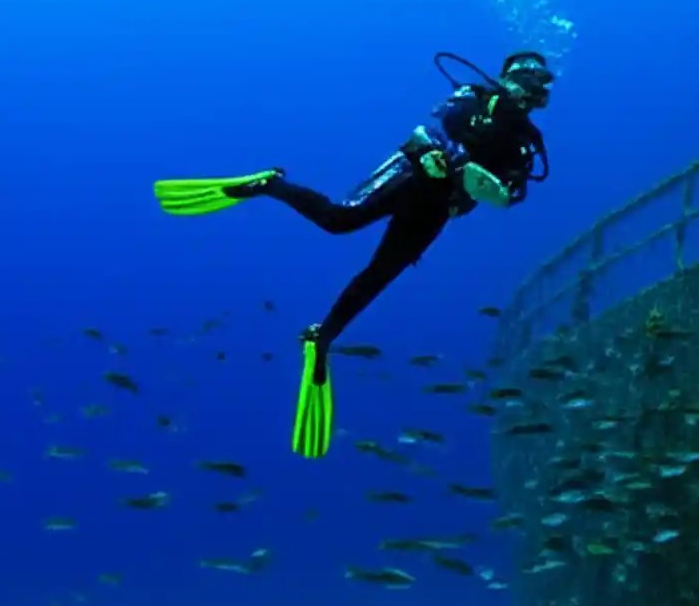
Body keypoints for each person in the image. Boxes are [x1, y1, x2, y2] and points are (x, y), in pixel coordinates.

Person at [152, 51, 553, 458]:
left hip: (441, 201)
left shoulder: (526, 140)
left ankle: (322, 337)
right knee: (340, 219)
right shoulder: (477, 96)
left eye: (538, 82)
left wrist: (499, 191)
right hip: (414, 170)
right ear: (507, 75)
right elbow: (448, 117)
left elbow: (513, 190)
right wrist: (438, 155)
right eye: (523, 76)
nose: (529, 86)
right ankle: (269, 184)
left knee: (383, 271)